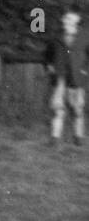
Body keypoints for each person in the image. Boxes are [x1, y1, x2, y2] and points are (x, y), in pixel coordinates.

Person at [44, 8, 86, 146]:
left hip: (77, 79)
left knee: (77, 109)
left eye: (70, 19)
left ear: (77, 20)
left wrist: (86, 70)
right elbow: (47, 55)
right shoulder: (55, 38)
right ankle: (54, 139)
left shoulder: (85, 36)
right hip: (59, 79)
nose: (67, 21)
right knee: (58, 109)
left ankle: (78, 138)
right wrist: (49, 67)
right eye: (65, 19)